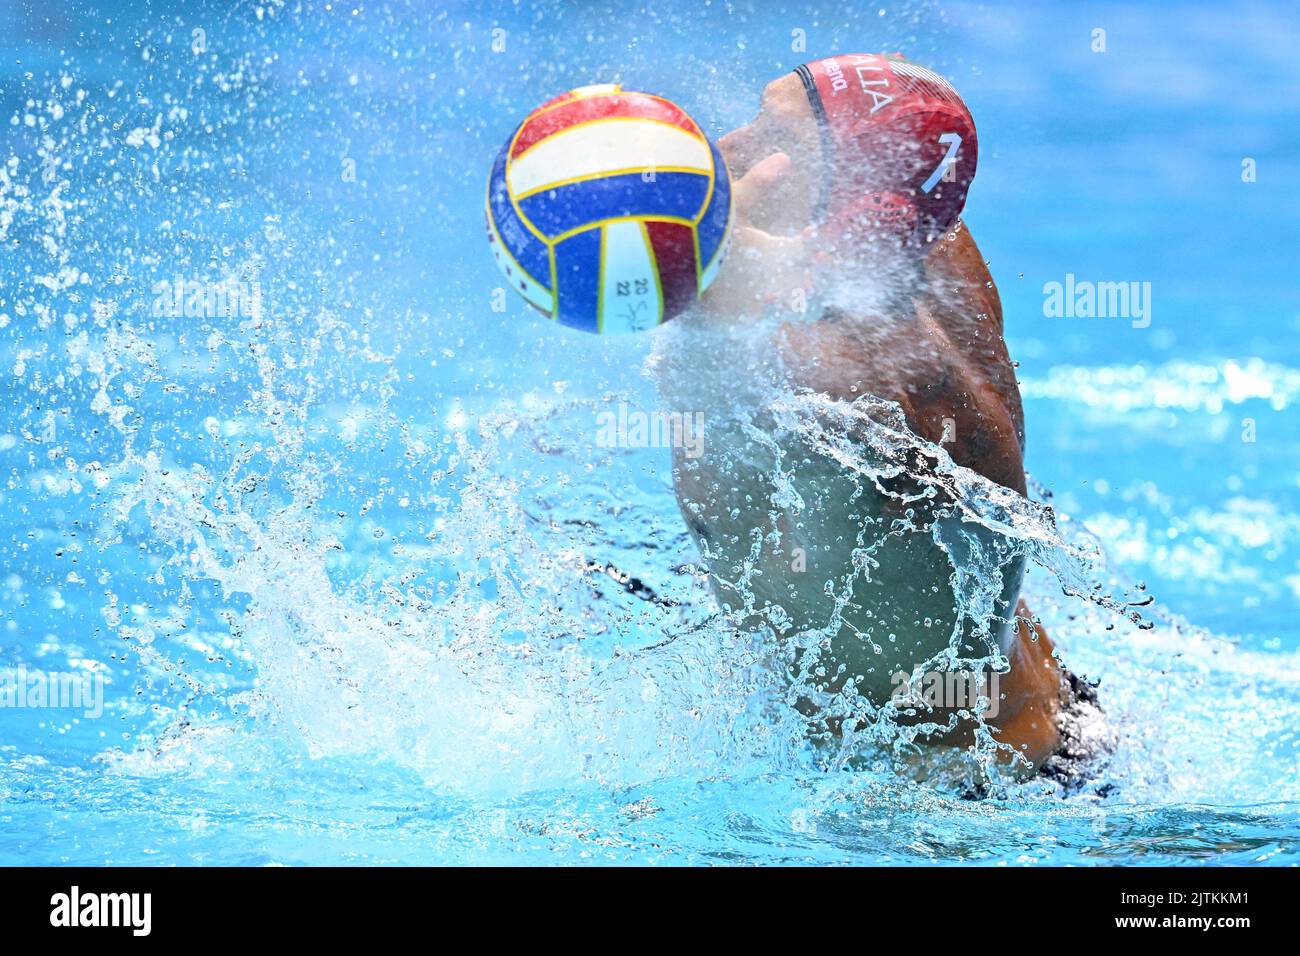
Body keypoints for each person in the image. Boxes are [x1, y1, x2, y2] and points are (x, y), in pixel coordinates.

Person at [657, 53, 1099, 778]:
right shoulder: (936, 241)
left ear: (847, 198)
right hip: (1036, 703)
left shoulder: (843, 388)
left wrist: (666, 237)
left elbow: (690, 302)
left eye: (775, 142)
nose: (730, 151)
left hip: (947, 797)